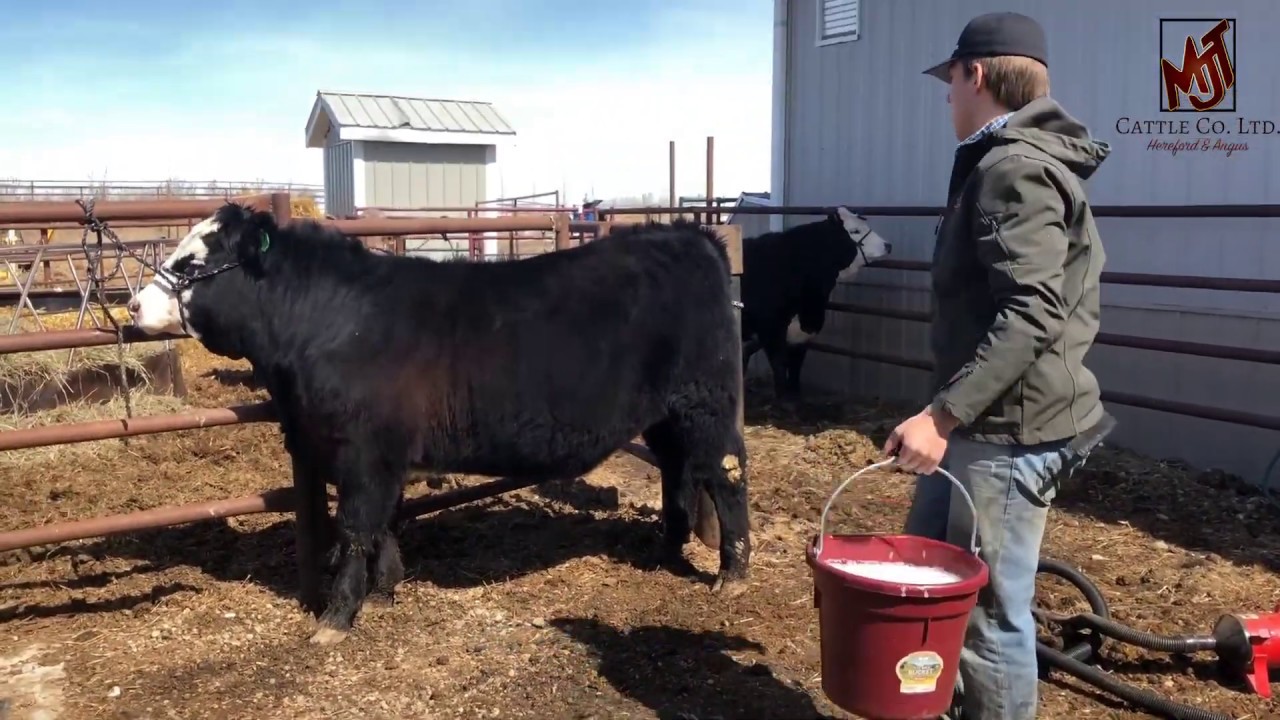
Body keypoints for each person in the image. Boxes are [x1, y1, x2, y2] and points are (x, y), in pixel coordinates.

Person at [882, 11, 1117, 720]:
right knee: (928, 570)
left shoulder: (1013, 170)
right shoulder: (1007, 160)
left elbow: (1033, 312)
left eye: (950, 81)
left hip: (1009, 432)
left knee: (988, 613)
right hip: (985, 420)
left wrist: (942, 414)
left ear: (975, 75)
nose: (946, 96)